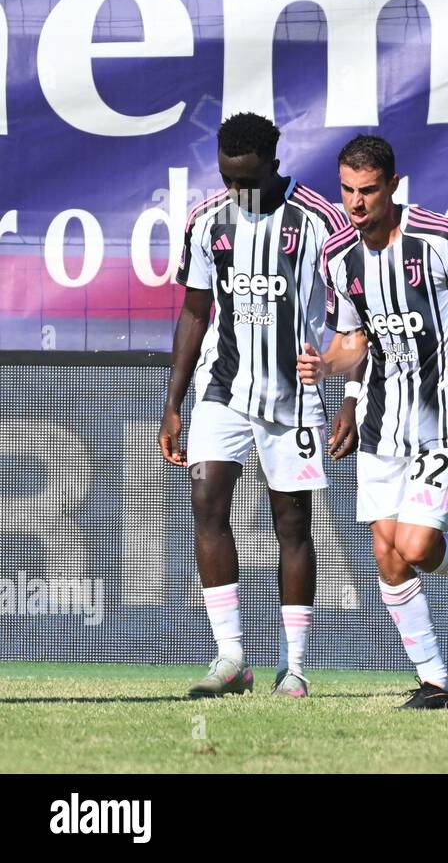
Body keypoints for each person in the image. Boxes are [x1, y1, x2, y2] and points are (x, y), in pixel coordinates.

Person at [298, 135, 448, 710]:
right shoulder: (338, 256)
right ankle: (435, 682)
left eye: (368, 190)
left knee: (417, 544)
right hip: (379, 419)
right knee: (387, 552)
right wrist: (327, 368)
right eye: (347, 190)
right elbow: (352, 342)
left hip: (441, 414)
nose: (355, 202)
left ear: (393, 186)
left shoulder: (440, 237)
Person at [160, 112, 354, 699]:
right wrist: (171, 403)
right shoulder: (206, 221)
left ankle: (292, 666)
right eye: (226, 177)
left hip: (295, 394)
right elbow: (196, 313)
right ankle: (231, 657)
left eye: (246, 178)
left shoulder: (320, 221)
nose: (235, 190)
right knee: (206, 499)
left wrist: (347, 396)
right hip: (223, 387)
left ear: (274, 163)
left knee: (291, 522)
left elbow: (351, 314)